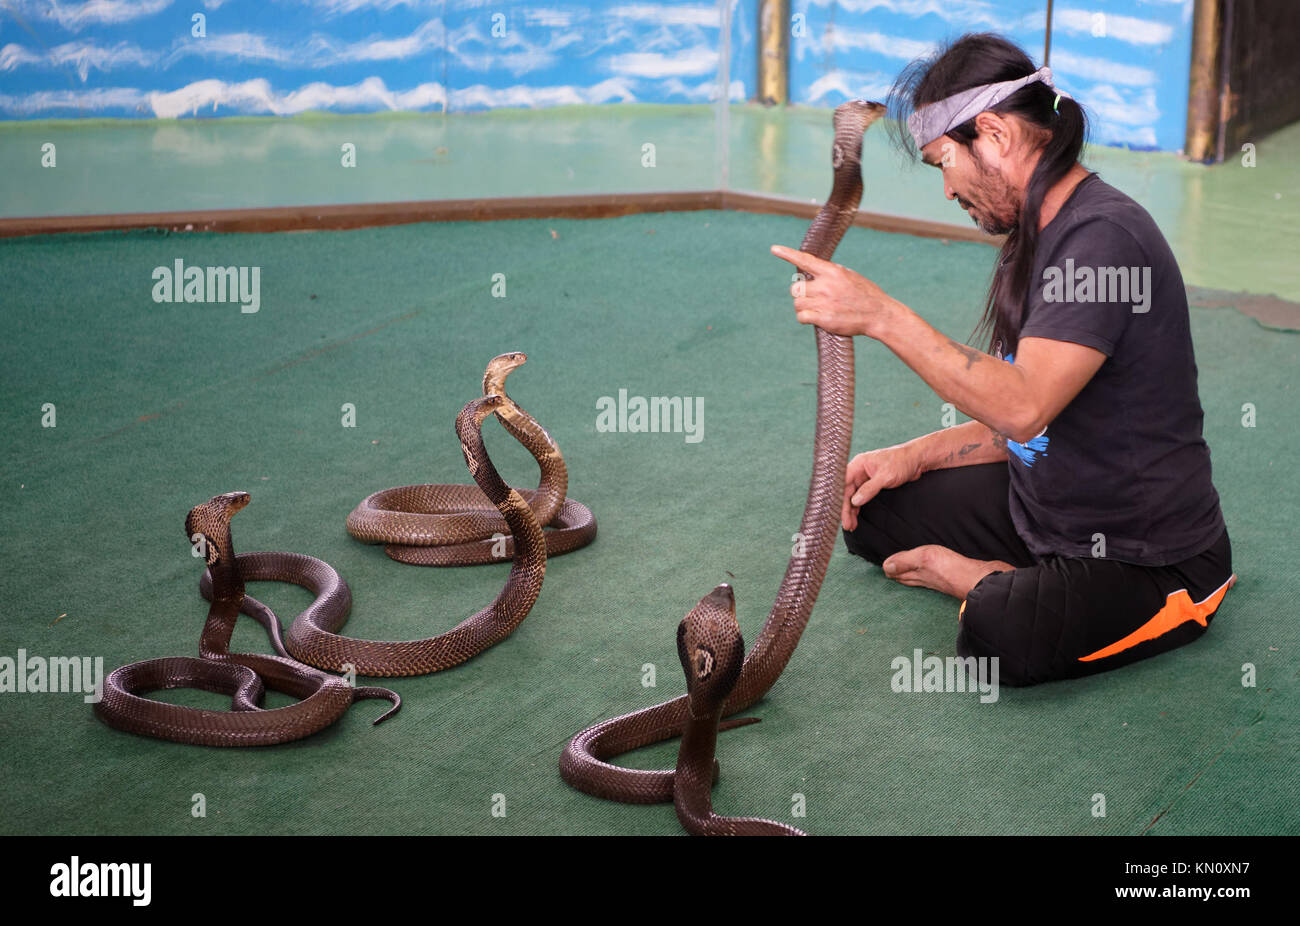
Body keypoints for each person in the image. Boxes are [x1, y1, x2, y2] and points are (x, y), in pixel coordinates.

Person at [770, 33, 1234, 686]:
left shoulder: (1102, 242)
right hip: (1045, 509)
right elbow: (1017, 418)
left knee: (997, 630)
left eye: (942, 164)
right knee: (873, 515)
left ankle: (991, 583)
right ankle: (1021, 576)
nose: (947, 192)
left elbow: (1023, 406)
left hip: (1149, 559)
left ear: (992, 134)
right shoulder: (1032, 235)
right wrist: (915, 455)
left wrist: (879, 315)